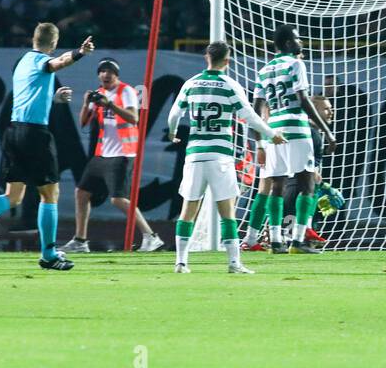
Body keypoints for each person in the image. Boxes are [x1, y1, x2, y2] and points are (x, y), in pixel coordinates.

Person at [0, 25, 95, 269]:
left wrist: (53, 98)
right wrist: (79, 53)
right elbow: (56, 64)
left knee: (13, 196)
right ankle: (49, 255)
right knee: (50, 195)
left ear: (33, 39)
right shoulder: (42, 60)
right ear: (54, 42)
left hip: (14, 131)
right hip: (34, 134)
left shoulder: (24, 62)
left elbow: (30, 95)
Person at [167, 41, 285, 274]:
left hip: (195, 155)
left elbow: (174, 114)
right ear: (227, 61)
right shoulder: (230, 85)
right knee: (227, 211)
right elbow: (250, 117)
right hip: (220, 156)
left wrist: (172, 132)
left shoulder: (190, 84)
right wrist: (271, 135)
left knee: (187, 210)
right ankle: (234, 263)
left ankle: (181, 262)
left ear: (206, 58)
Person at [244, 25, 336, 254]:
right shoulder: (296, 64)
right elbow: (303, 100)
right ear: (287, 43)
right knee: (307, 184)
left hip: (273, 129)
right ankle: (298, 241)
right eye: (297, 39)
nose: (301, 42)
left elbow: (256, 111)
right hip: (296, 126)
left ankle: (275, 241)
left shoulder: (264, 70)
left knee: (276, 185)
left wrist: (260, 141)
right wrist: (327, 131)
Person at [63, 58, 164, 253]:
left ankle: (151, 237)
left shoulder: (126, 91)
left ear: (116, 75)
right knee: (82, 193)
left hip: (122, 152)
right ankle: (80, 240)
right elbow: (83, 123)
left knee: (118, 199)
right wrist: (86, 104)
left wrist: (110, 105)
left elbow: (134, 118)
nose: (105, 74)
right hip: (102, 153)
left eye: (110, 71)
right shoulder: (99, 93)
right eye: (102, 71)